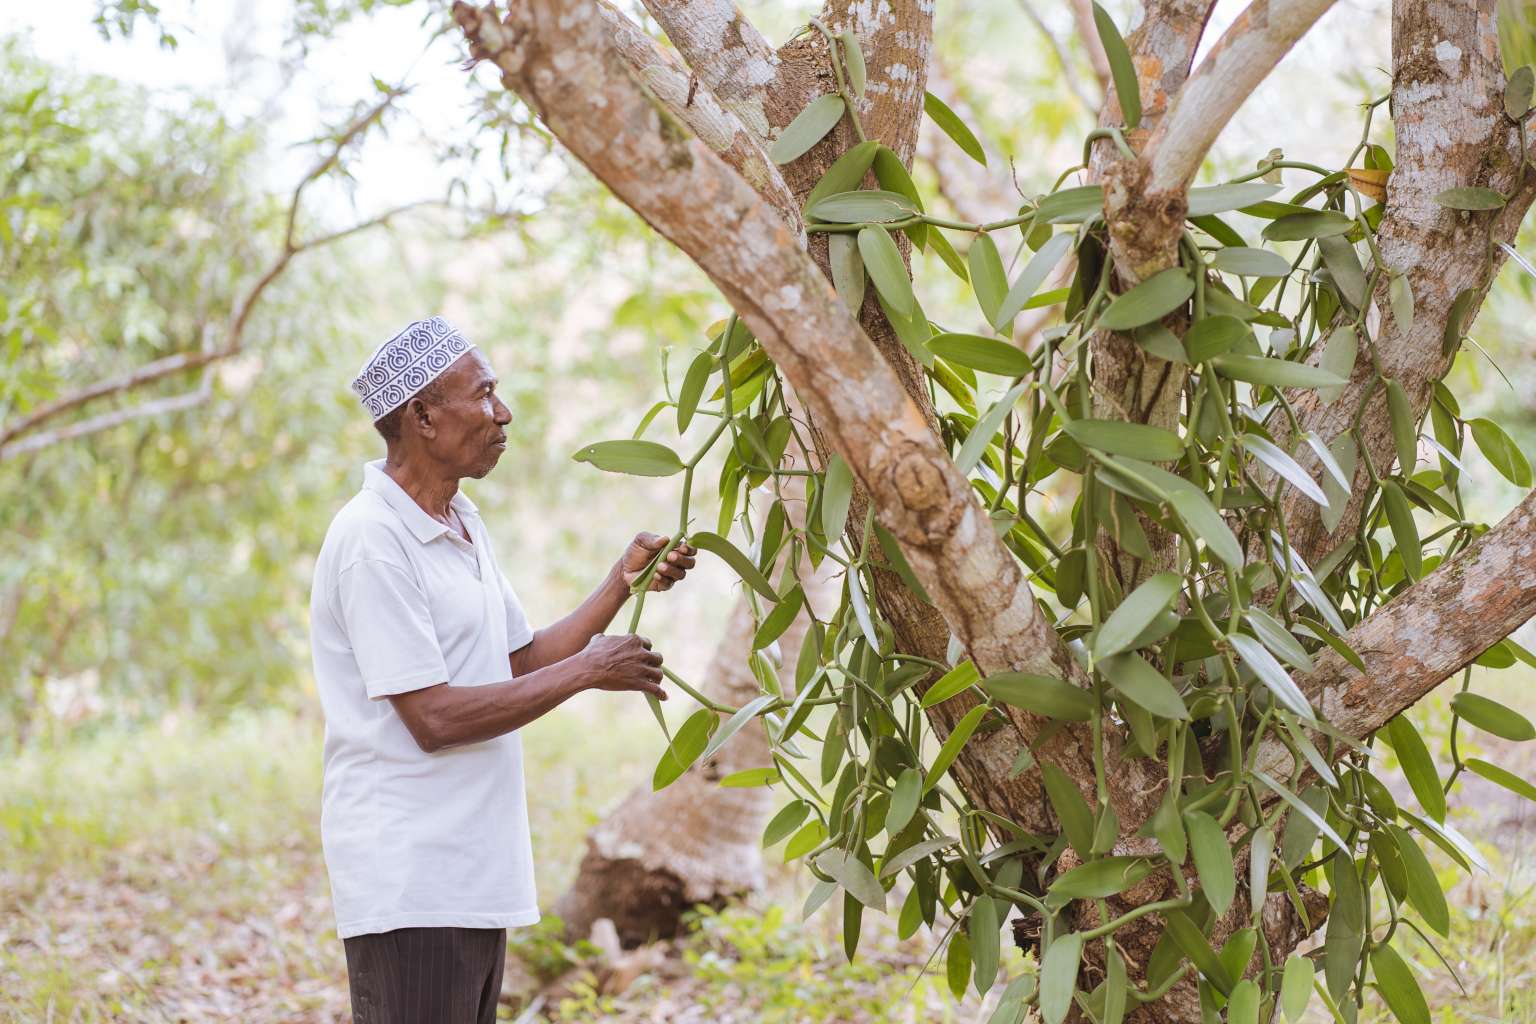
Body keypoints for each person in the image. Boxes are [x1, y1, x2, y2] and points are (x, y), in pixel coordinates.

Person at [308, 315, 695, 1023]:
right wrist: (587, 672)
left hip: (471, 870)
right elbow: (433, 718)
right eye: (484, 394)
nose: (502, 412)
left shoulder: (460, 523)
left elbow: (516, 662)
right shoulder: (372, 541)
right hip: (411, 878)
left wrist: (621, 583)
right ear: (422, 416)